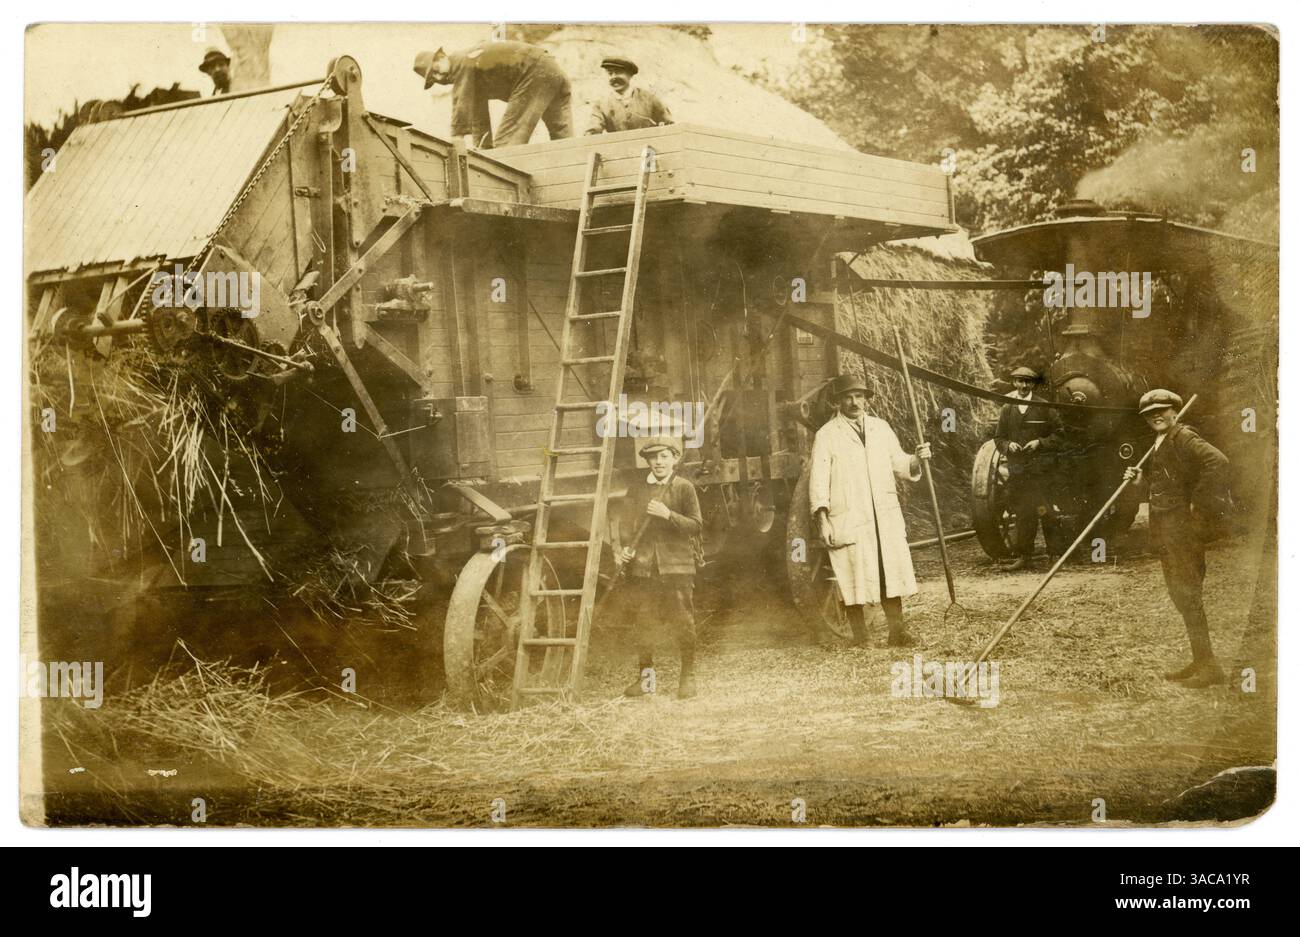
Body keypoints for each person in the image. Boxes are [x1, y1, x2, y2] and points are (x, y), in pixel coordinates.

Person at [809, 374, 930, 647]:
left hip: (882, 514)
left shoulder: (881, 428)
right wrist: (823, 519)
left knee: (888, 571)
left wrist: (916, 458)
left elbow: (900, 463)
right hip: (849, 514)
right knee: (852, 574)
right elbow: (818, 480)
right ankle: (861, 637)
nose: (855, 402)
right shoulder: (826, 435)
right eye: (848, 397)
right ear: (838, 402)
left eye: (859, 396)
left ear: (866, 399)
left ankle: (897, 632)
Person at [1124, 389, 1230, 689]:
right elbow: (1164, 484)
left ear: (1175, 412)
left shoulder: (1184, 436)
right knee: (1181, 596)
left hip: (1182, 530)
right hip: (1166, 529)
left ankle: (1210, 668)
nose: (1156, 415)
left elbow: (1218, 462)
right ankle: (1201, 660)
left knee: (1188, 595)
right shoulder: (1161, 441)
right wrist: (1140, 480)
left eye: (1163, 410)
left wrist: (1198, 501)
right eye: (1149, 412)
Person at [613, 435, 703, 700]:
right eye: (653, 457)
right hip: (644, 567)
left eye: (664, 456)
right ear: (648, 461)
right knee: (644, 623)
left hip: (677, 565)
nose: (659, 462)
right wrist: (626, 548)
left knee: (683, 621)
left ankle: (687, 678)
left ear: (675, 459)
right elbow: (626, 525)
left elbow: (696, 525)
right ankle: (646, 681)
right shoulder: (637, 489)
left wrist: (668, 515)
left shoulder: (684, 487)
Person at [412, 41, 573, 149]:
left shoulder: (461, 61)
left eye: (436, 71)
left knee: (507, 144)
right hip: (552, 70)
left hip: (535, 71)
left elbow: (461, 102)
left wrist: (457, 137)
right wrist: (483, 149)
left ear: (441, 56)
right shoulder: (470, 74)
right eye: (434, 79)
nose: (440, 78)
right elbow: (478, 116)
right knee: (564, 140)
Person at [994, 366, 1064, 570]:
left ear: (1033, 384)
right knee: (1024, 513)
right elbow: (998, 438)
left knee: (1046, 511)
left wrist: (1040, 443)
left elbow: (1060, 434)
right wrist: (1009, 445)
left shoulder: (1044, 406)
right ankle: (1025, 557)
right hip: (1019, 472)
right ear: (1014, 383)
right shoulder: (1008, 408)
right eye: (1019, 381)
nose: (1023, 385)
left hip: (1042, 471)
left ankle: (1055, 555)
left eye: (1028, 382)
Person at [585, 54, 673, 135]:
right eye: (610, 73)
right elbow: (593, 130)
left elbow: (669, 125)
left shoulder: (650, 98)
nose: (613, 77)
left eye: (618, 72)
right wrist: (590, 134)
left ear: (630, 74)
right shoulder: (601, 105)